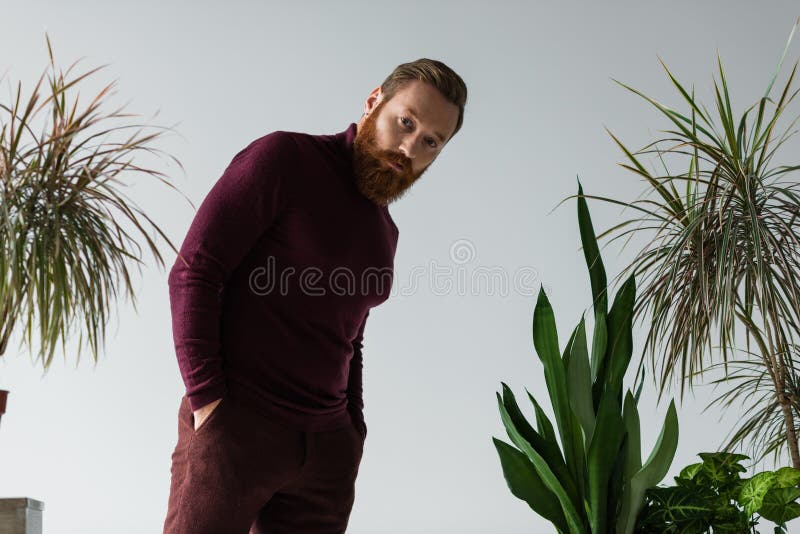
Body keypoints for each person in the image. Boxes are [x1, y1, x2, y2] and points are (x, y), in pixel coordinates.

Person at [162, 58, 467, 533]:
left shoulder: (384, 231)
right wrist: (208, 402)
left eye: (431, 141)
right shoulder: (285, 159)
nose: (409, 148)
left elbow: (351, 335)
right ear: (374, 102)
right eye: (406, 122)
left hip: (326, 455)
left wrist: (352, 428)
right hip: (237, 427)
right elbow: (194, 271)